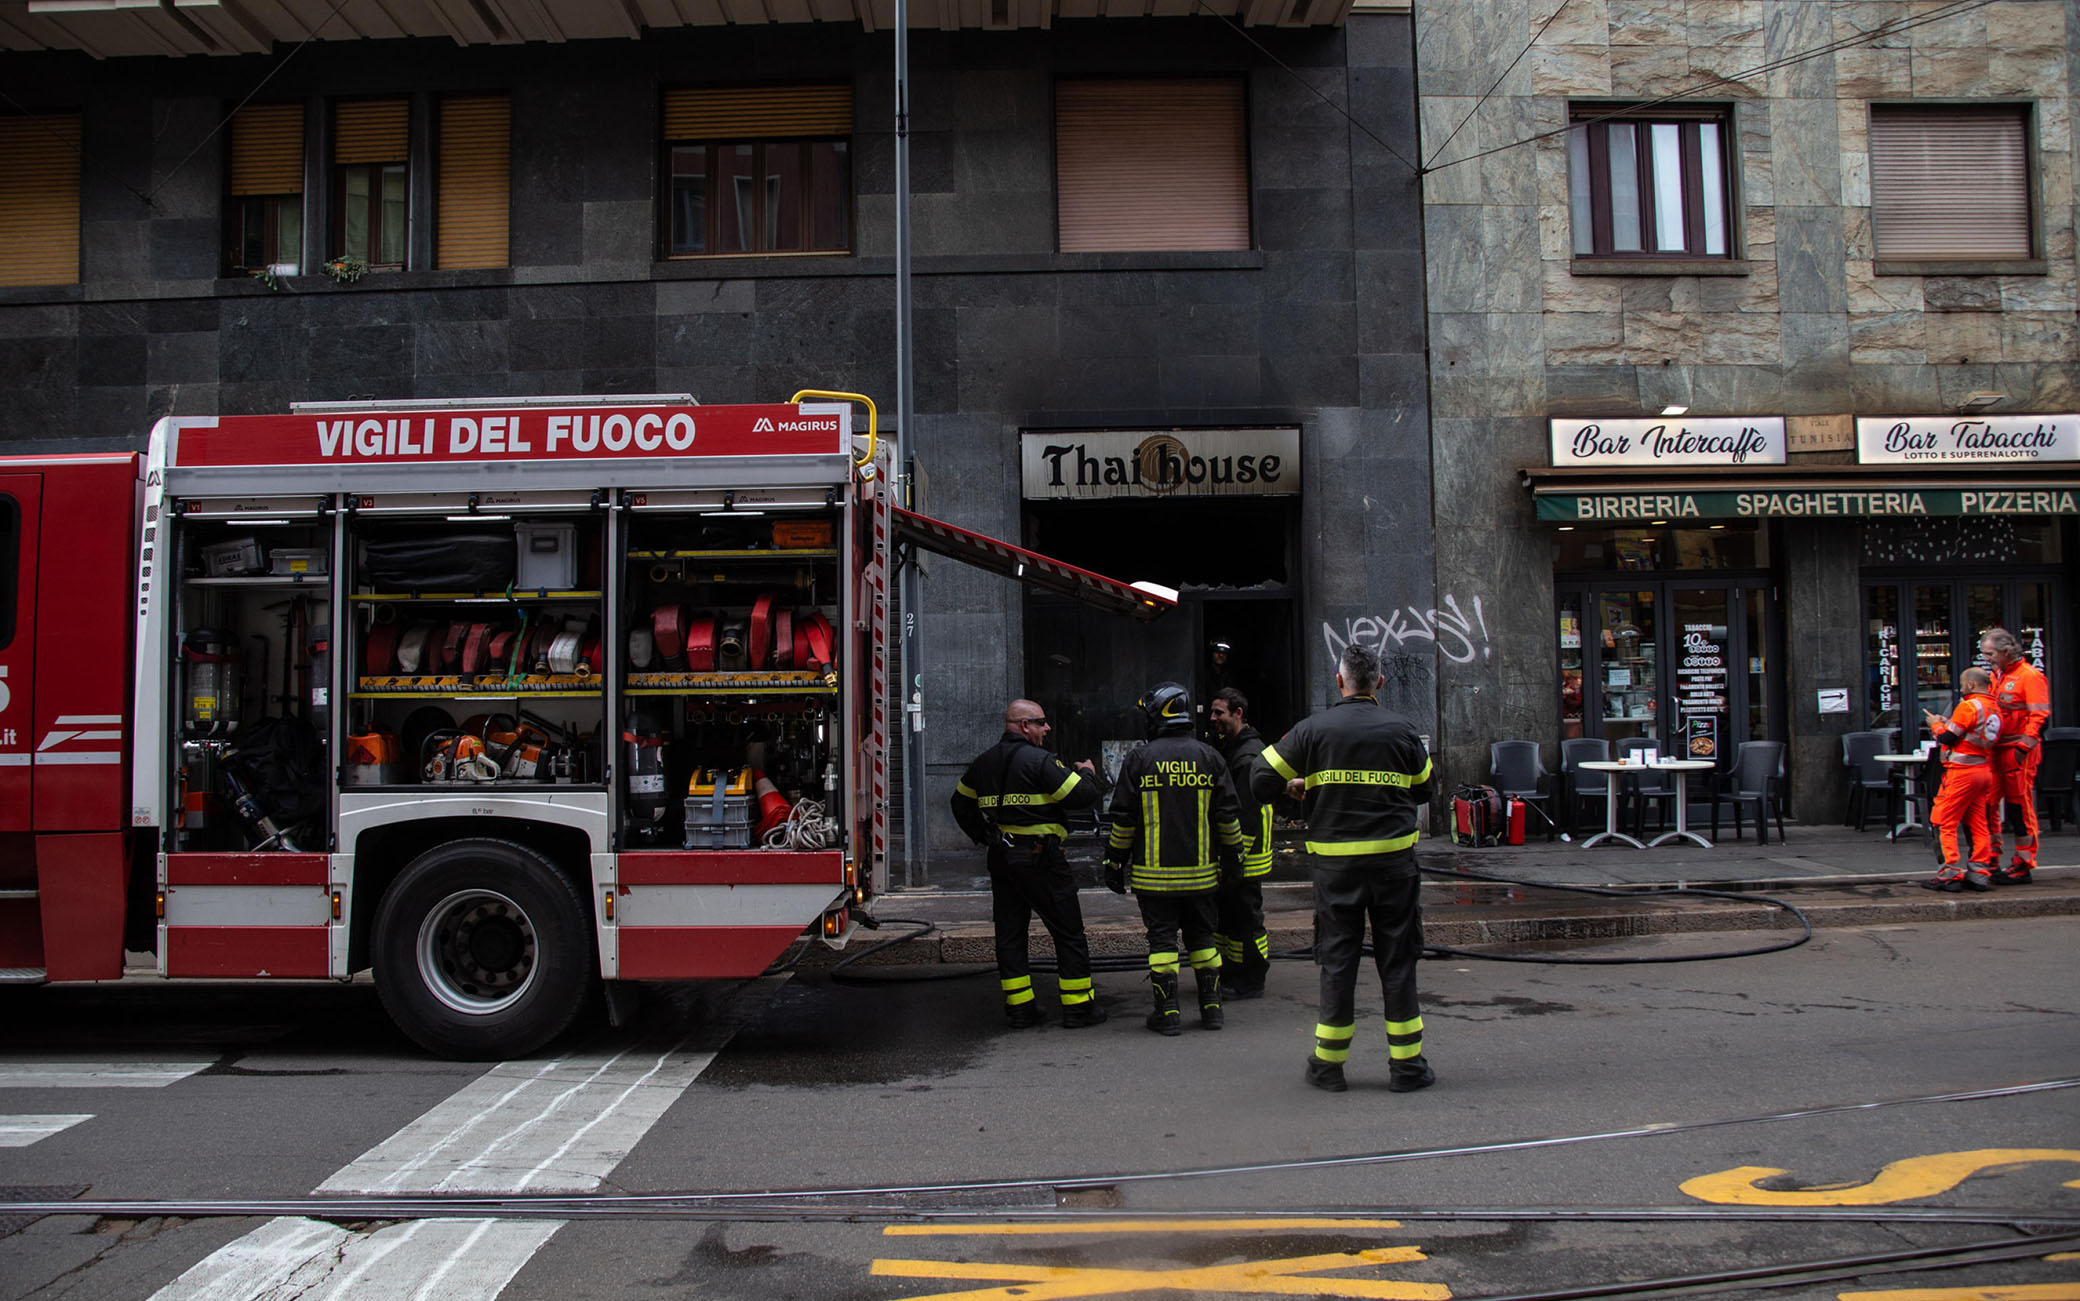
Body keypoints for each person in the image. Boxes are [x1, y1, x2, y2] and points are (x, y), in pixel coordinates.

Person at [1252, 644, 1435, 1094]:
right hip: (1394, 868)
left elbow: (1259, 778)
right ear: (1380, 683)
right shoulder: (1403, 731)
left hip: (1337, 872)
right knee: (1398, 963)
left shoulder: (1313, 730)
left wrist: (1294, 787)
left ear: (1339, 682)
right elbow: (1427, 789)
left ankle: (1329, 1068)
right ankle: (1407, 1069)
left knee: (1337, 962)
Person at [951, 700, 1108, 1029]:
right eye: (1041, 723)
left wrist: (985, 835)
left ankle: (1021, 1009)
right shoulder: (1040, 762)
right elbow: (1082, 796)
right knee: (1068, 933)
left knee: (1010, 934)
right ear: (1023, 726)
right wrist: (1088, 773)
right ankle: (1079, 1008)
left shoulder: (983, 763)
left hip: (1002, 859)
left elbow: (959, 803)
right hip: (1041, 860)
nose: (1046, 728)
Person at [1103, 681, 1247, 1036]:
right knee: (1203, 940)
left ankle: (1167, 1014)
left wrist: (1113, 863)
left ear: (1159, 715)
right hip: (1201, 878)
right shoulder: (1210, 756)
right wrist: (1234, 860)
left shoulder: (1139, 759)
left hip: (1155, 880)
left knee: (1163, 943)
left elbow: (1124, 821)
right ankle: (1212, 1011)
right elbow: (1228, 818)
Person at [1209, 687, 1274, 1000]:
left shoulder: (1246, 755)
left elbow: (1245, 813)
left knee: (1245, 917)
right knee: (1231, 916)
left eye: (1219, 713)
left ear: (1238, 713)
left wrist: (1235, 856)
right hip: (1238, 851)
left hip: (1245, 851)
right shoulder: (1235, 747)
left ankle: (1251, 978)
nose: (1213, 719)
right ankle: (1234, 972)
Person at [1921, 666, 2001, 894]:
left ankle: (1950, 873)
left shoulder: (1968, 706)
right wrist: (1947, 721)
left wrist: (1935, 724)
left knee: (1943, 821)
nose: (1962, 687)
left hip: (1961, 772)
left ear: (1972, 684)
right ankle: (1979, 873)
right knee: (1978, 823)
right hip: (1983, 771)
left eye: (1963, 683)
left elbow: (1948, 737)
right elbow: (1971, 733)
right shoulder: (1994, 708)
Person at [1981, 627, 2050, 883]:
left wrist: (2023, 749)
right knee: (1989, 803)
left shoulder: (2029, 677)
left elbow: (2039, 716)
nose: (1987, 658)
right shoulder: (1998, 675)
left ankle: (2023, 863)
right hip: (1998, 749)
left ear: (2006, 651)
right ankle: (1990, 858)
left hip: (2018, 750)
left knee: (2019, 807)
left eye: (1991, 653)